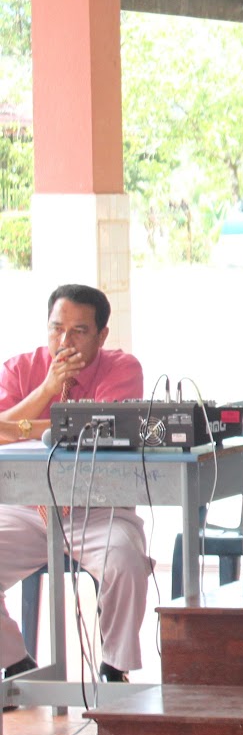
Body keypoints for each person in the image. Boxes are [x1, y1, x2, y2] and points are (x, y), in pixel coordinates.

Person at [0, 284, 148, 684]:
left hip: (97, 508)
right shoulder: (21, 368)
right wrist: (47, 390)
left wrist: (20, 426)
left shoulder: (122, 368)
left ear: (102, 335)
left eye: (79, 331)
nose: (64, 341)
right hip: (31, 508)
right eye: (56, 329)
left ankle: (113, 669)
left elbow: (97, 425)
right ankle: (17, 664)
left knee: (126, 561)